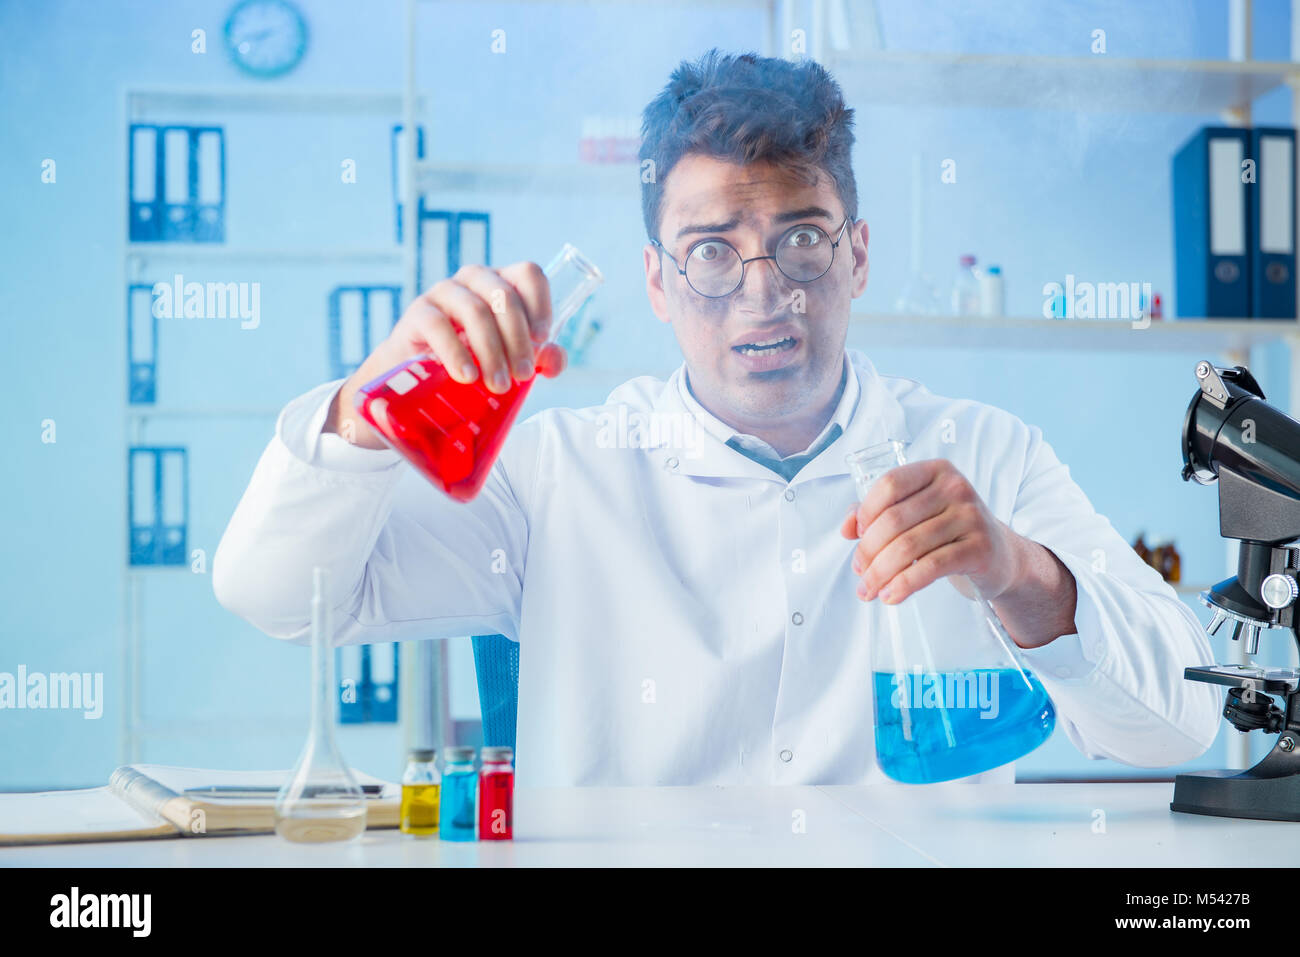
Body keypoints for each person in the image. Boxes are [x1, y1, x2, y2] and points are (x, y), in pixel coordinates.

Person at [213, 49, 1220, 787]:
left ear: (857, 254)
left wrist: (1020, 575)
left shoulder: (985, 456)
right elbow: (280, 599)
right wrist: (364, 406)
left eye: (801, 240)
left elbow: (1179, 726)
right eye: (709, 250)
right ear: (655, 280)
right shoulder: (555, 474)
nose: (760, 292)